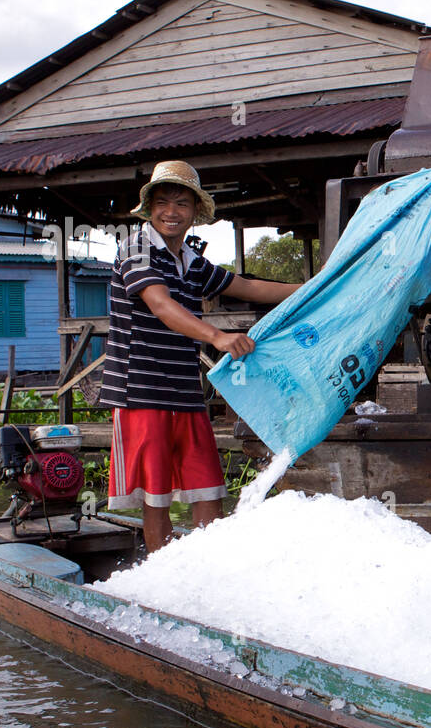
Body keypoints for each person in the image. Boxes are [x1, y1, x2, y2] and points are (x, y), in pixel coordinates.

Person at [102, 160, 303, 551]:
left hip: (184, 390)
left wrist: (315, 285)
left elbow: (245, 286)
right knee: (155, 495)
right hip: (141, 389)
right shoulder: (136, 248)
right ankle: (160, 573)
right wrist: (217, 336)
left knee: (207, 485)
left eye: (181, 204)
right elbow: (159, 304)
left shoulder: (190, 260)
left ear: (195, 212)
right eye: (162, 202)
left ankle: (209, 568)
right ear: (149, 208)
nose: (171, 212)